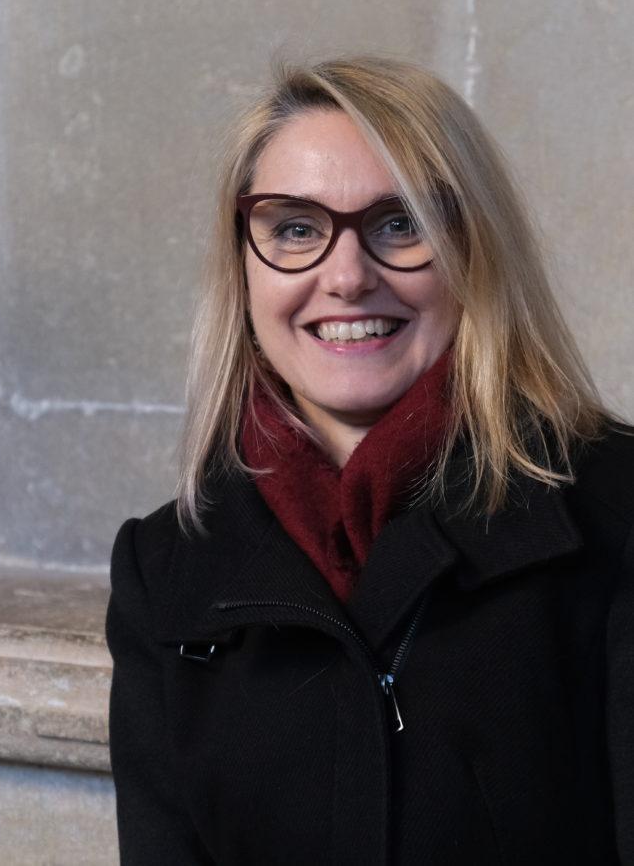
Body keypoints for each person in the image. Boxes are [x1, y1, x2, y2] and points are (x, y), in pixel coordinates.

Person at [106, 56, 634, 864]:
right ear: (243, 266)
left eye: (400, 224)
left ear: (476, 251)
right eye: (294, 229)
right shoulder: (166, 568)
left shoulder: (615, 514)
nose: (346, 277)